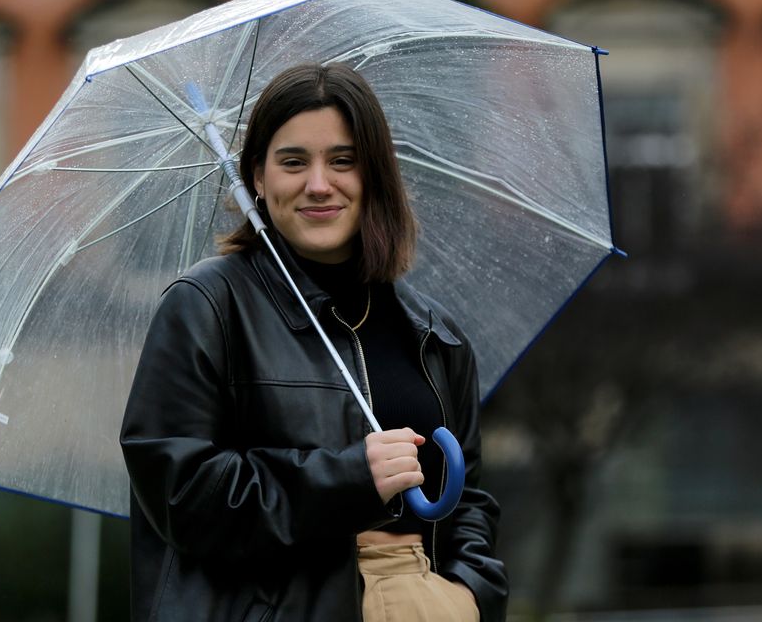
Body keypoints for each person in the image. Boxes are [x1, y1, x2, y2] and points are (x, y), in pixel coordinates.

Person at [121, 62, 507, 621]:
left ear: (373, 174)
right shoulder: (206, 306)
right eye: (294, 162)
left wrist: (470, 592)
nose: (319, 184)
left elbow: (469, 497)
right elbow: (182, 495)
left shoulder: (432, 334)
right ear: (258, 177)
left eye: (343, 161)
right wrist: (350, 476)